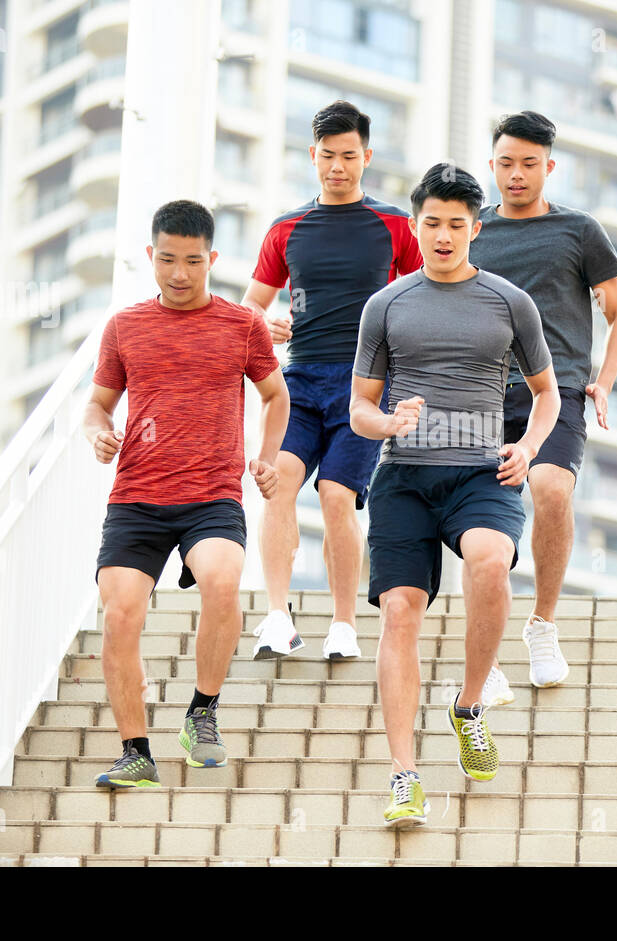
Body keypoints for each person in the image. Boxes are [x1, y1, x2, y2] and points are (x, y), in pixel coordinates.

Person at [351, 164, 559, 827]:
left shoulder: (509, 303)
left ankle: (469, 705)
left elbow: (548, 394)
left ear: (476, 227)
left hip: (481, 472)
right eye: (432, 223)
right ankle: (404, 774)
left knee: (491, 561)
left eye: (457, 225)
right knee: (400, 612)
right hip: (404, 477)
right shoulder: (386, 305)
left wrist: (526, 448)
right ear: (416, 226)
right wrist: (386, 422)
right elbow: (360, 407)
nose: (444, 236)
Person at [84, 200, 289, 788]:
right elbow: (97, 405)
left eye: (192, 262)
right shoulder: (125, 326)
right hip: (136, 497)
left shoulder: (242, 324)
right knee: (120, 614)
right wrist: (100, 435)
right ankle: (135, 751)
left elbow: (276, 396)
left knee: (223, 582)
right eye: (167, 260)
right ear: (151, 255)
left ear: (212, 259)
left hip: (212, 493)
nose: (179, 274)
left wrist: (267, 459)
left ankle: (202, 712)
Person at [241, 100, 422, 661]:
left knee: (337, 495)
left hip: (362, 388)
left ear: (367, 156)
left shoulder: (393, 224)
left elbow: (429, 291)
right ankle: (277, 616)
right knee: (278, 481)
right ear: (311, 156)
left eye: (348, 156)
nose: (337, 166)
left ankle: (343, 623)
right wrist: (264, 324)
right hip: (298, 384)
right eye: (327, 156)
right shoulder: (286, 229)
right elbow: (250, 305)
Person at [469, 111, 617, 702]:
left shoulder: (579, 231)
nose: (516, 175)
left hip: (554, 392)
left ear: (549, 167)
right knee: (481, 531)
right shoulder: (472, 231)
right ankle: (484, 661)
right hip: (479, 396)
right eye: (506, 163)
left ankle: (542, 625)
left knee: (551, 490)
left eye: (529, 165)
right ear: (492, 165)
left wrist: (605, 380)